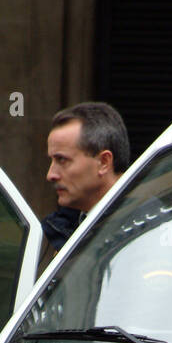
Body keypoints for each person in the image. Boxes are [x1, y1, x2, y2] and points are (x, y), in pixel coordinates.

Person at [40, 101, 129, 268]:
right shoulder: (66, 226)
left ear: (103, 162)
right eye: (51, 161)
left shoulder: (143, 230)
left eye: (62, 160)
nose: (50, 175)